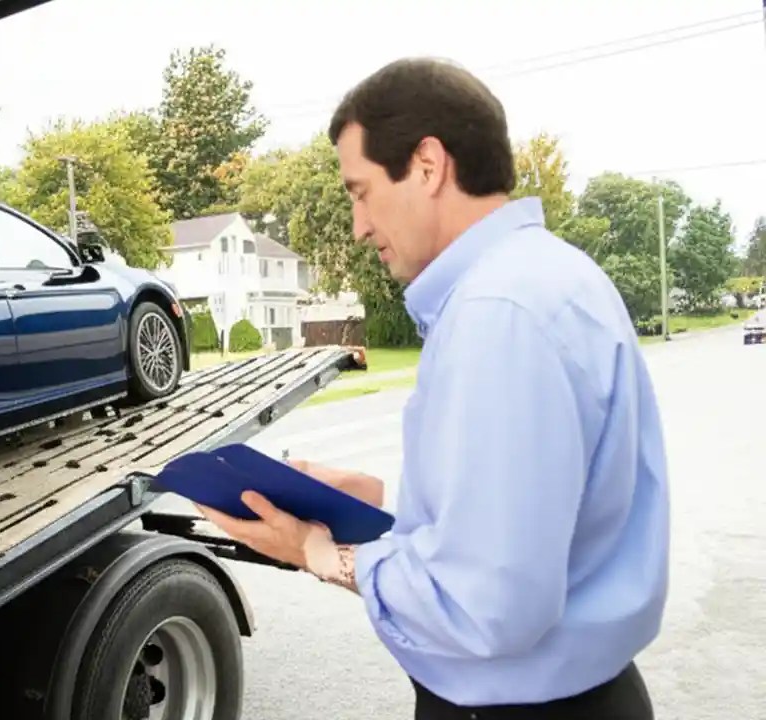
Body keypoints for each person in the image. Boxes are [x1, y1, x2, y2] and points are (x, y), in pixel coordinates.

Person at [197, 57, 669, 719]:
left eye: (360, 191)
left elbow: (487, 606)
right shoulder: (555, 276)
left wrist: (318, 551)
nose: (359, 226)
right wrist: (390, 510)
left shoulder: (497, 313)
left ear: (426, 164)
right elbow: (536, 520)